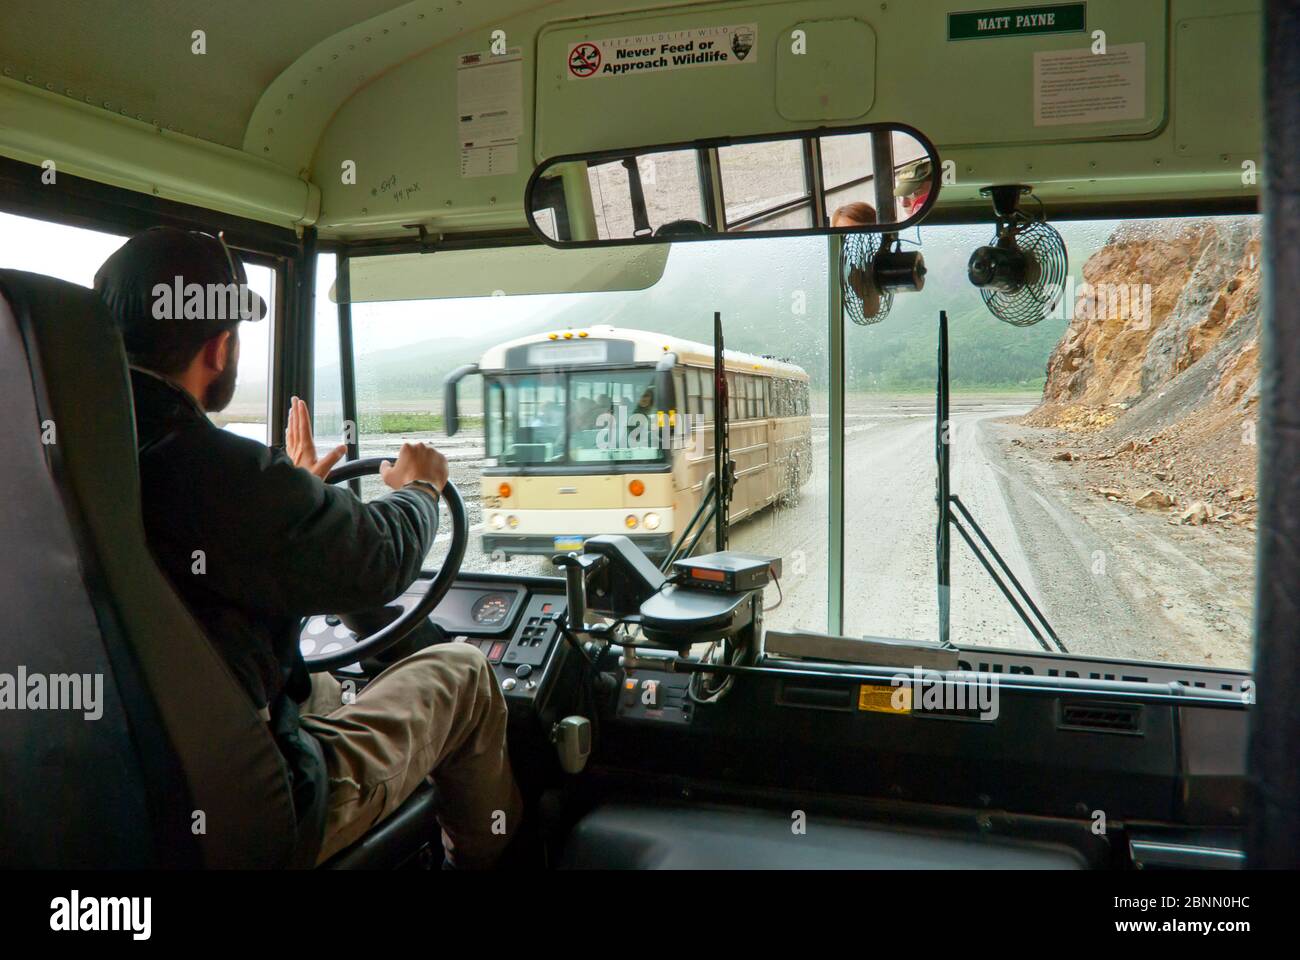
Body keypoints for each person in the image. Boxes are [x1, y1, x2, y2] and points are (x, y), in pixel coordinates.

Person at [94, 227, 521, 867]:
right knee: (463, 674)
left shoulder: (71, 457)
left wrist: (297, 498)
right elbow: (378, 560)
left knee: (321, 692)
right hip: (249, 815)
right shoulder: (207, 467)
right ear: (219, 347)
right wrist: (422, 491)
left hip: (116, 798)